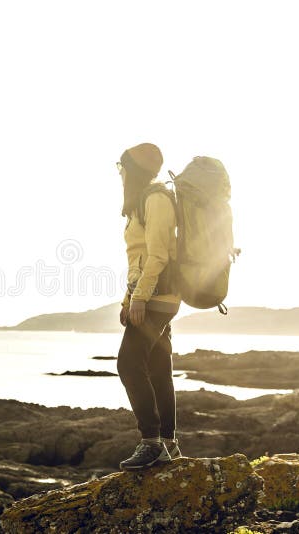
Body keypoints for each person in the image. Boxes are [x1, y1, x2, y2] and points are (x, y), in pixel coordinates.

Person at [115, 142, 182, 470]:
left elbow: (158, 255)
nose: (120, 172)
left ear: (133, 169)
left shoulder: (155, 200)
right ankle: (168, 444)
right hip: (154, 296)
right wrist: (128, 300)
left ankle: (151, 442)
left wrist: (140, 298)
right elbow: (139, 260)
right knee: (157, 368)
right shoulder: (144, 202)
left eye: (122, 166)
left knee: (128, 365)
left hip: (157, 297)